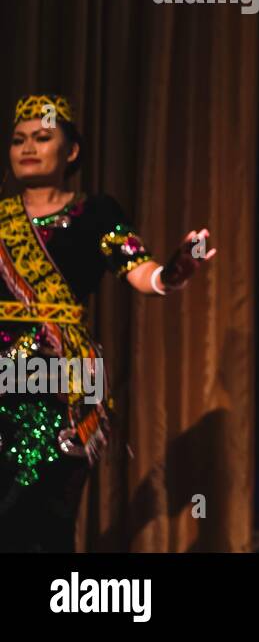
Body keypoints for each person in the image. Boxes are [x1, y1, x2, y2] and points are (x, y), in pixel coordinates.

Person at [0, 93, 216, 552]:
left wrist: (171, 274)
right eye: (19, 139)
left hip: (67, 379)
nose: (28, 147)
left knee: (49, 518)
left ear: (72, 150)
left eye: (42, 137)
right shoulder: (2, 221)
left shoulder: (96, 212)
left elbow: (140, 272)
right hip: (3, 374)